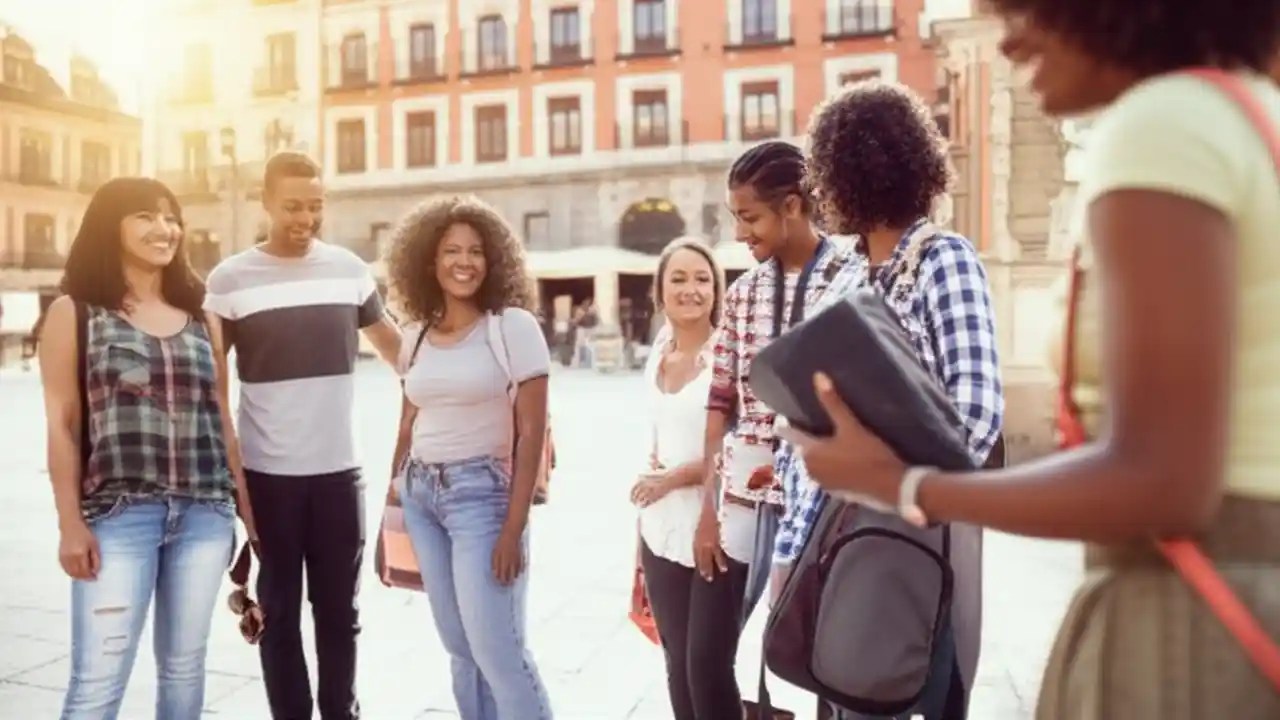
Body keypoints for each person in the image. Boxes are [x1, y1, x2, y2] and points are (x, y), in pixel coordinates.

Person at [785, 3, 1280, 719]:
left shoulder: (1163, 129)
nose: (1009, 35)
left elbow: (1164, 481)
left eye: (1023, 7)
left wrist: (904, 484)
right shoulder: (1240, 112)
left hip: (1185, 616)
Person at [777, 80, 1005, 719]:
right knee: (846, 695)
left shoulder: (945, 260)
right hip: (837, 541)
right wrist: (789, 553)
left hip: (915, 541)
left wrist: (890, 479)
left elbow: (977, 419)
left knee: (908, 692)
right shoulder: (841, 276)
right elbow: (809, 438)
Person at [39, 177, 251, 719]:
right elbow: (62, 423)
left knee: (185, 670)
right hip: (118, 515)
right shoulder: (76, 313)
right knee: (98, 679)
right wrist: (70, 523)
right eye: (145, 216)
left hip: (205, 513)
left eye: (171, 217)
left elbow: (222, 419)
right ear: (110, 225)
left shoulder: (205, 317)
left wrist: (251, 520)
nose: (165, 229)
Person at [203, 151, 401, 720]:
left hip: (340, 475)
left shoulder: (349, 270)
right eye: (292, 206)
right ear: (264, 202)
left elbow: (399, 353)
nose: (305, 219)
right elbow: (215, 391)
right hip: (269, 480)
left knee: (341, 615)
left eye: (315, 206)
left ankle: (342, 713)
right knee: (278, 616)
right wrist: (235, 480)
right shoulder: (228, 281)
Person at [694, 140, 857, 713]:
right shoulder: (741, 293)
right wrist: (708, 510)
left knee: (816, 661)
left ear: (792, 205)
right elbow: (719, 402)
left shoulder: (852, 276)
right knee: (707, 656)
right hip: (742, 498)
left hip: (821, 504)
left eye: (749, 216)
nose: (740, 233)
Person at [385, 195, 553, 720]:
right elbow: (407, 423)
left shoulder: (513, 327)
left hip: (484, 497)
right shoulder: (413, 337)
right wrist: (390, 517)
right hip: (420, 497)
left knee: (499, 652)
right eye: (451, 251)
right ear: (428, 262)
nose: (465, 262)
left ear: (493, 259)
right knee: (460, 651)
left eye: (476, 251)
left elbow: (531, 433)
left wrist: (512, 528)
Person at [630, 237, 727, 719]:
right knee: (674, 659)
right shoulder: (657, 353)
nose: (692, 289)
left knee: (706, 666)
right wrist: (656, 473)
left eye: (703, 279)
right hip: (659, 529)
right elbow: (662, 430)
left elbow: (738, 449)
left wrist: (672, 478)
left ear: (717, 289)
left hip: (715, 530)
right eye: (680, 278)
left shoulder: (729, 356)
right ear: (660, 290)